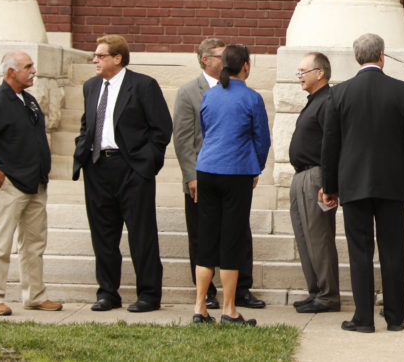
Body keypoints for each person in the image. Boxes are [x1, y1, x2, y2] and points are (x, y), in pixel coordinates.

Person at [321, 33, 404, 333]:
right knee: (393, 250)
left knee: (359, 252)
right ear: (381, 56)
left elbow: (330, 145)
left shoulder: (339, 93)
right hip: (392, 184)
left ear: (358, 58)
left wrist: (329, 187)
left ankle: (363, 318)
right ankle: (395, 317)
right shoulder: (402, 90)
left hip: (353, 185)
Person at [72, 34, 172, 313]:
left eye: (100, 55)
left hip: (132, 169)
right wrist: (83, 149)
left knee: (142, 235)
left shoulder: (142, 85)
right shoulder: (91, 86)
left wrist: (147, 163)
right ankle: (107, 293)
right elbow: (87, 124)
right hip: (97, 168)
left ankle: (149, 295)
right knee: (103, 234)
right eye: (95, 55)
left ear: (118, 58)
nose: (94, 60)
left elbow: (161, 128)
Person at [0, 51, 62, 316]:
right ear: (11, 72)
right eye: (28, 66)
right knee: (0, 243)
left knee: (34, 244)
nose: (34, 70)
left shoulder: (28, 101)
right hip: (12, 185)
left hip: (36, 184)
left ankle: (35, 295)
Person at [173, 38, 265, 311]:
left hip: (208, 169)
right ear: (245, 67)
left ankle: (200, 306)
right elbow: (261, 140)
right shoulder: (251, 97)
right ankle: (228, 308)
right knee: (226, 238)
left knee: (211, 237)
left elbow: (206, 129)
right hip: (234, 171)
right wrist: (255, 167)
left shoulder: (210, 95)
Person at [288, 52, 340, 314]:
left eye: (302, 72)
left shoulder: (328, 101)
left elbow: (332, 144)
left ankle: (328, 295)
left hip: (315, 176)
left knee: (319, 237)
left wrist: (328, 183)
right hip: (300, 176)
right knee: (304, 236)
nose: (299, 77)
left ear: (320, 73)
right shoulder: (313, 101)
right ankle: (315, 291)